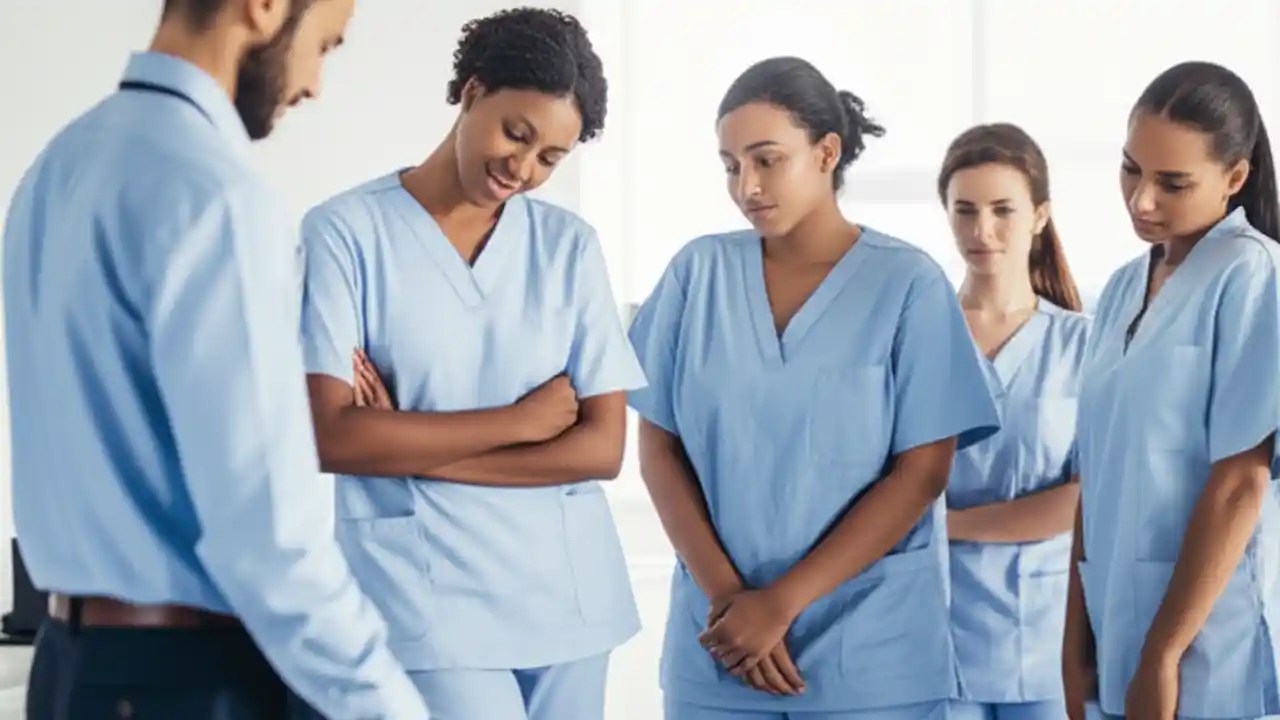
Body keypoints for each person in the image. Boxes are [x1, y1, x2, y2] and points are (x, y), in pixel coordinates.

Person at [2, 1, 432, 719]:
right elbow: (268, 538)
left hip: (67, 670)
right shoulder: (216, 194)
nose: (316, 83)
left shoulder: (56, 167)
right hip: (185, 683)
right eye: (325, 44)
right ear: (264, 8)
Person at [626, 55, 1001, 720]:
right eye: (730, 164)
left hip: (870, 656)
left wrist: (780, 603)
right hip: (720, 649)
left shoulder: (907, 285)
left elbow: (920, 475)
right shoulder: (697, 275)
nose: (747, 185)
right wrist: (731, 604)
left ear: (826, 152)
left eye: (767, 159)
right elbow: (659, 447)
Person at [299, 7, 643, 719]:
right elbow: (333, 435)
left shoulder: (568, 247)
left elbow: (601, 448)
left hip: (568, 598)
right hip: (425, 594)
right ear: (472, 91)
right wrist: (522, 421)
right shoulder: (346, 234)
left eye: (551, 158)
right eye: (516, 134)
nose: (522, 169)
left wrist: (413, 449)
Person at [1063, 61, 1280, 720]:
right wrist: (1073, 645)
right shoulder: (1123, 288)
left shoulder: (1253, 275)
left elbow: (1241, 481)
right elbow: (1094, 475)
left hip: (1207, 645)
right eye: (1131, 169)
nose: (1141, 201)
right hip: (1113, 627)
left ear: (1235, 178)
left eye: (1173, 183)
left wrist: (1161, 656)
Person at [938, 124, 1090, 720]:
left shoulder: (1083, 344)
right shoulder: (921, 338)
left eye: (1003, 209)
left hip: (1047, 643)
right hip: (935, 637)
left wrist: (943, 525)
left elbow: (1084, 500)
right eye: (965, 210)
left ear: (1040, 215)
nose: (983, 231)